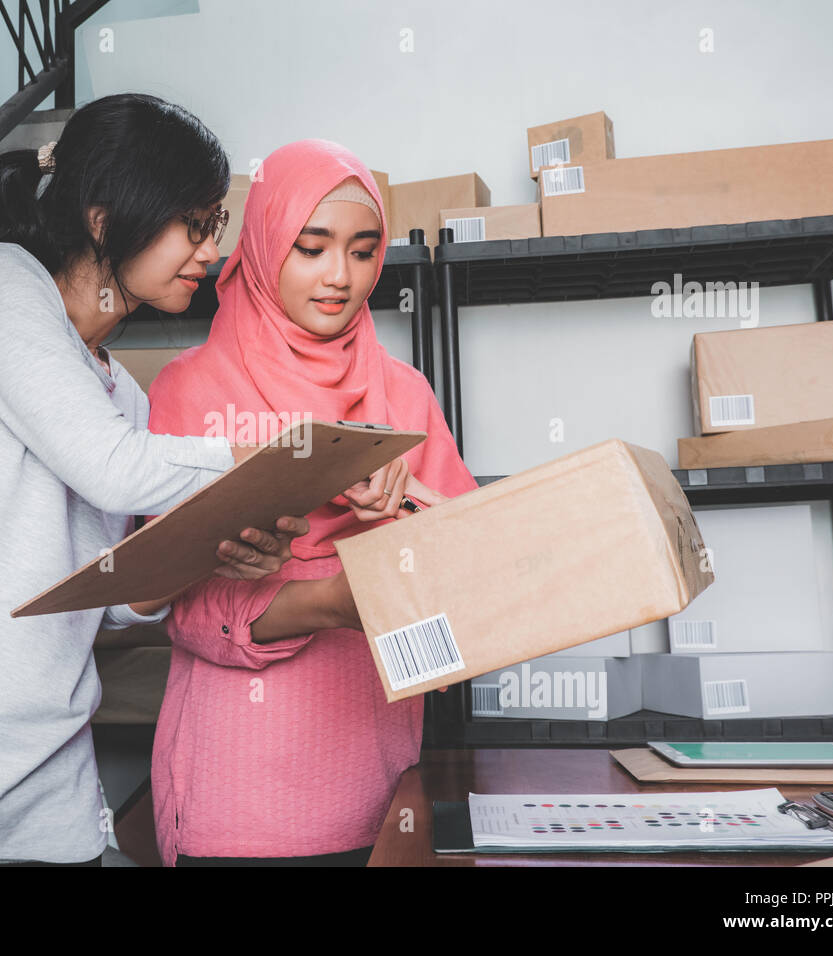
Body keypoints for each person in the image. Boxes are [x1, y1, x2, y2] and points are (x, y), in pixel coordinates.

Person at [0, 95, 354, 866]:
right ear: (105, 219)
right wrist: (287, 459)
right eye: (193, 222)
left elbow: (111, 600)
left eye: (216, 225)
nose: (209, 251)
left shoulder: (125, 400)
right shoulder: (0, 285)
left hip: (40, 807)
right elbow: (112, 471)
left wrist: (209, 543)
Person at [146, 138, 479, 866]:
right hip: (239, 806)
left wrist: (403, 509)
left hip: (381, 794)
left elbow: (473, 597)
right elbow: (182, 609)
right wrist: (331, 597)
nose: (341, 277)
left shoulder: (406, 394)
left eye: (364, 252)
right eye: (312, 248)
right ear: (265, 247)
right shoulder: (190, 390)